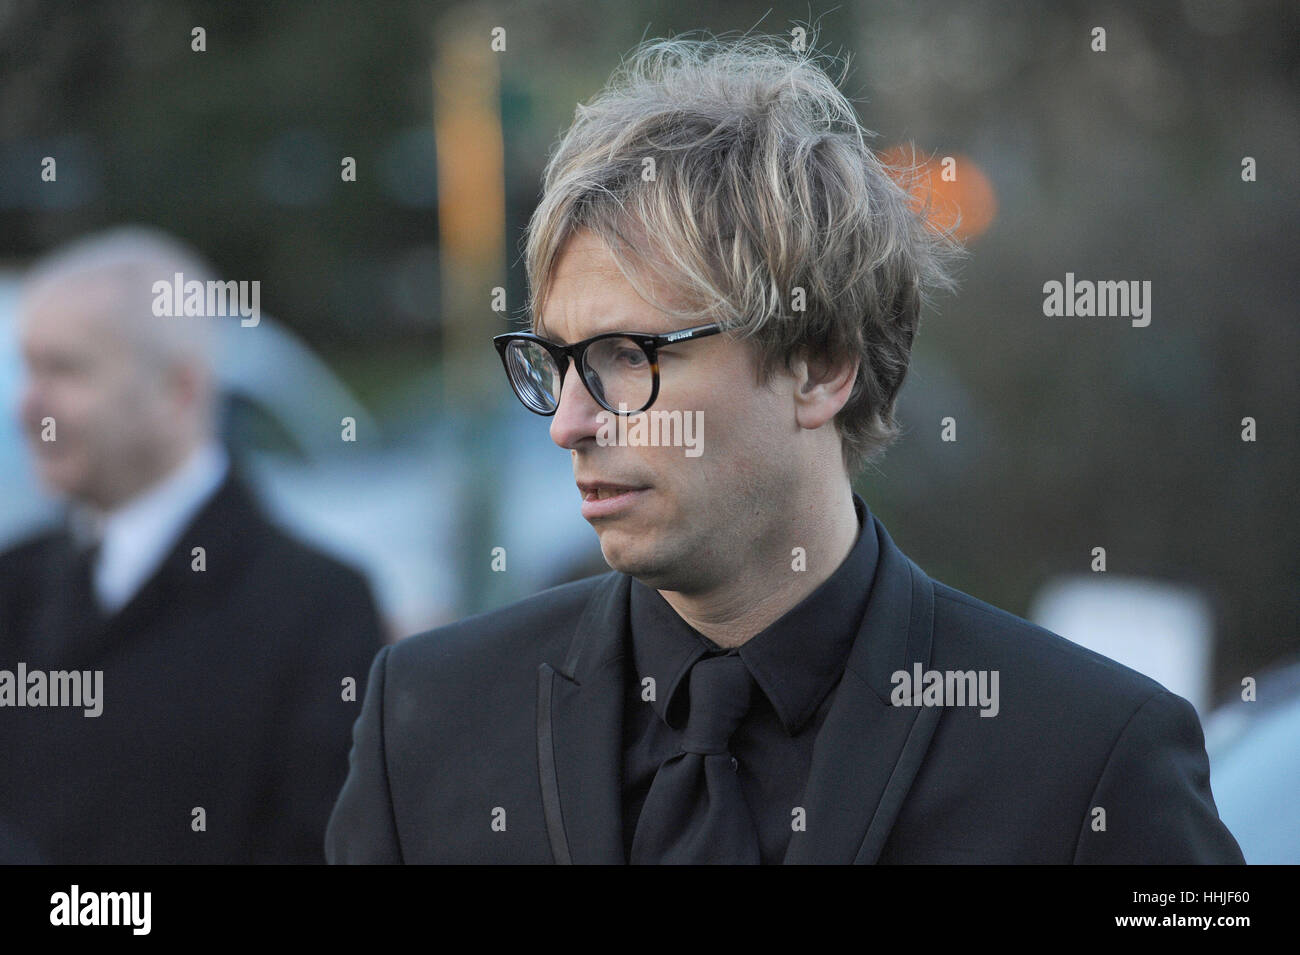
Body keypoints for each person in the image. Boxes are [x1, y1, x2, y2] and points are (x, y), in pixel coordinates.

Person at [326, 36, 1243, 864]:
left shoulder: (1087, 756)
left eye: (625, 356)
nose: (569, 422)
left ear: (819, 366)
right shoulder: (432, 716)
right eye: (557, 362)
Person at [0, 226, 385, 863]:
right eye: (29, 369)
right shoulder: (13, 585)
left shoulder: (317, 607)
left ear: (179, 389)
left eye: (65, 370)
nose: (27, 407)